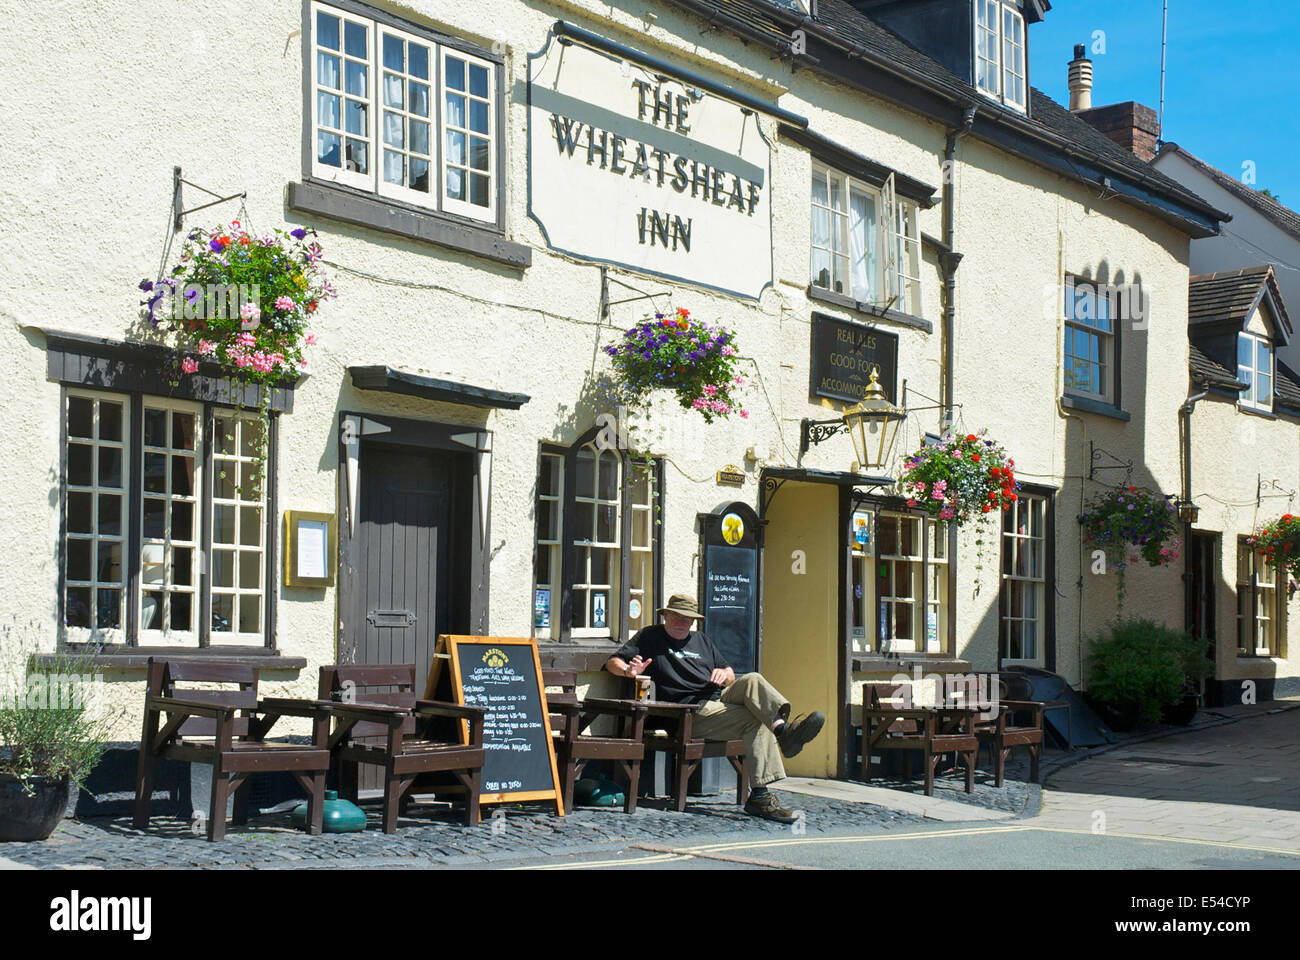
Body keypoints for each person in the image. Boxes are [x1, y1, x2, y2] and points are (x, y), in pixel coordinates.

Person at [605, 593, 825, 823]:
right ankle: (761, 795)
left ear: (693, 621)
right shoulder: (651, 636)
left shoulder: (701, 639)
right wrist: (628, 672)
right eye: (676, 617)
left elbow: (729, 672)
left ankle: (782, 730)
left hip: (717, 697)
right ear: (666, 616)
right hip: (690, 710)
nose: (681, 622)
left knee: (753, 679)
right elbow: (614, 661)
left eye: (687, 618)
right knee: (756, 720)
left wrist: (725, 674)